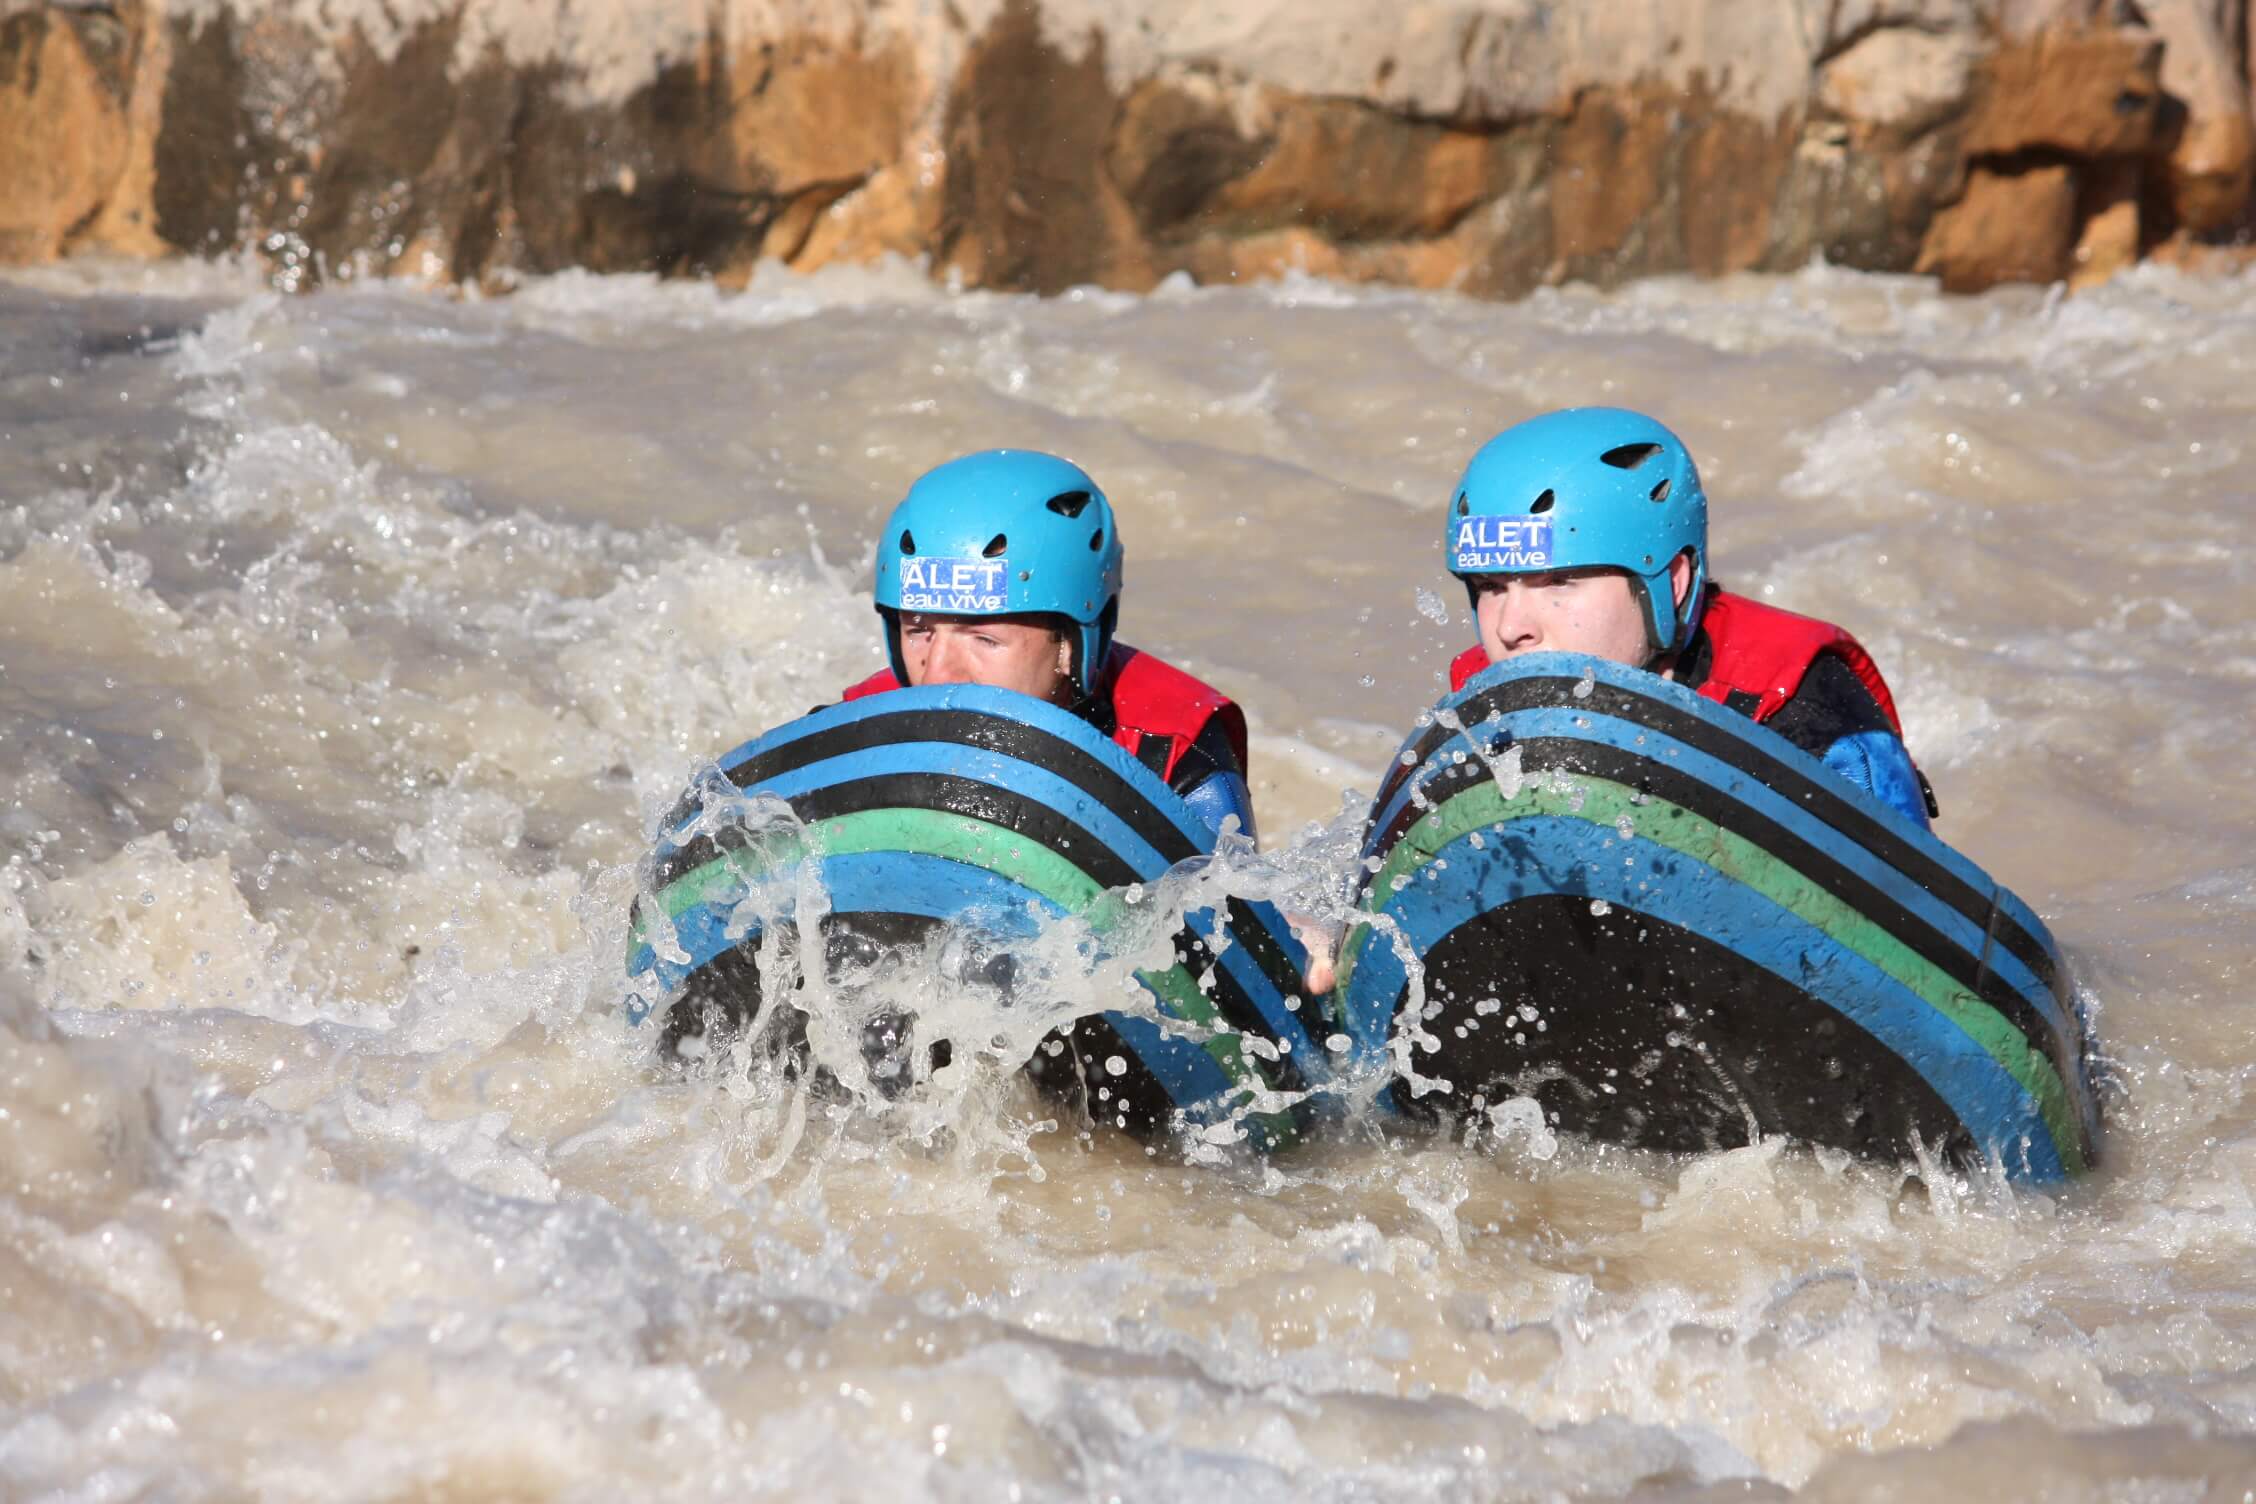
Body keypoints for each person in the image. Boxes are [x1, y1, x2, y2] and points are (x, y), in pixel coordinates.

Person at [1303, 405, 1934, 993]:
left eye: (1558, 581)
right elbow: (1379, 899)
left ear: (1670, 581)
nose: (1511, 627)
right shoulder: (1478, 716)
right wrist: (1334, 936)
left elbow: (1908, 964)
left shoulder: (1804, 707)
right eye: (1492, 587)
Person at [841, 447, 1257, 842]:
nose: (938, 675)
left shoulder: (1174, 748)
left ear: (1071, 645)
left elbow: (1226, 889)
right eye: (919, 631)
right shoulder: (857, 724)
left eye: (984, 639)